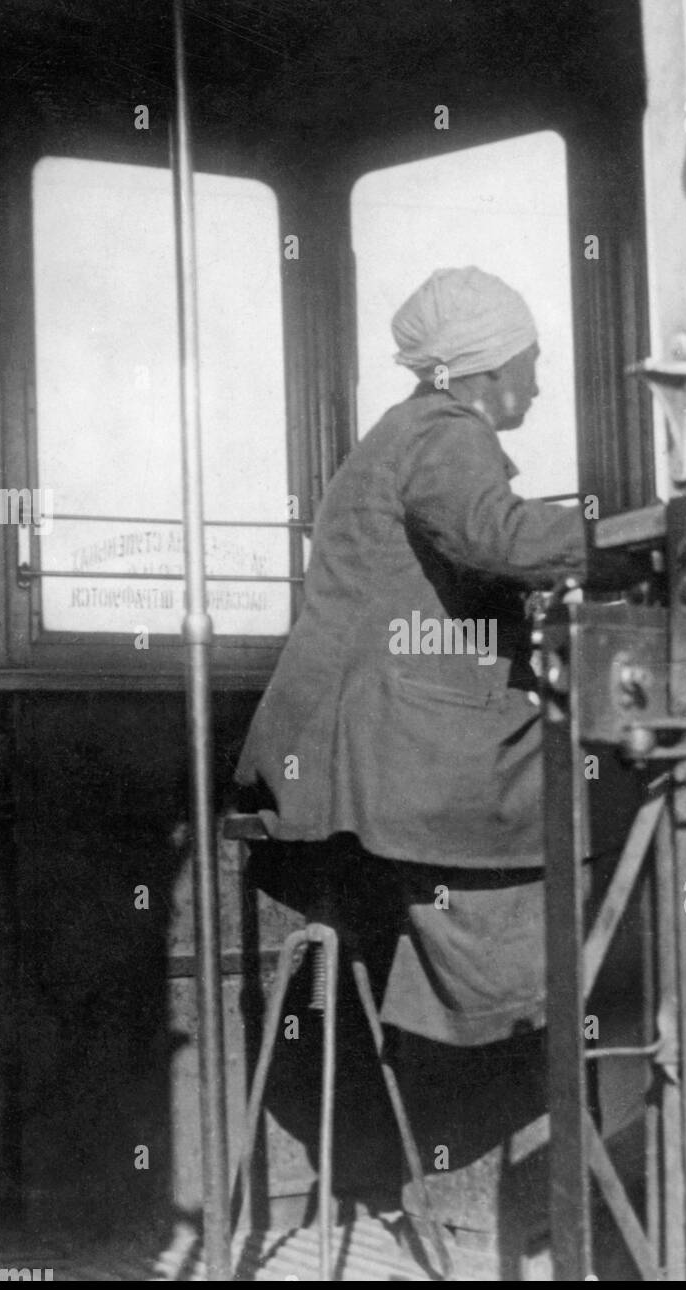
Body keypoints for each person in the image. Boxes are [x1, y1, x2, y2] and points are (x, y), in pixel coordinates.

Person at [235, 266, 639, 1053]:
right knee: (627, 778)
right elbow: (499, 535)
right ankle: (578, 1008)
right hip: (389, 747)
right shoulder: (445, 431)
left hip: (360, 742)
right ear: (491, 366)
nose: (539, 382)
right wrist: (631, 542)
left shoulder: (408, 430)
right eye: (532, 359)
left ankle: (525, 993)